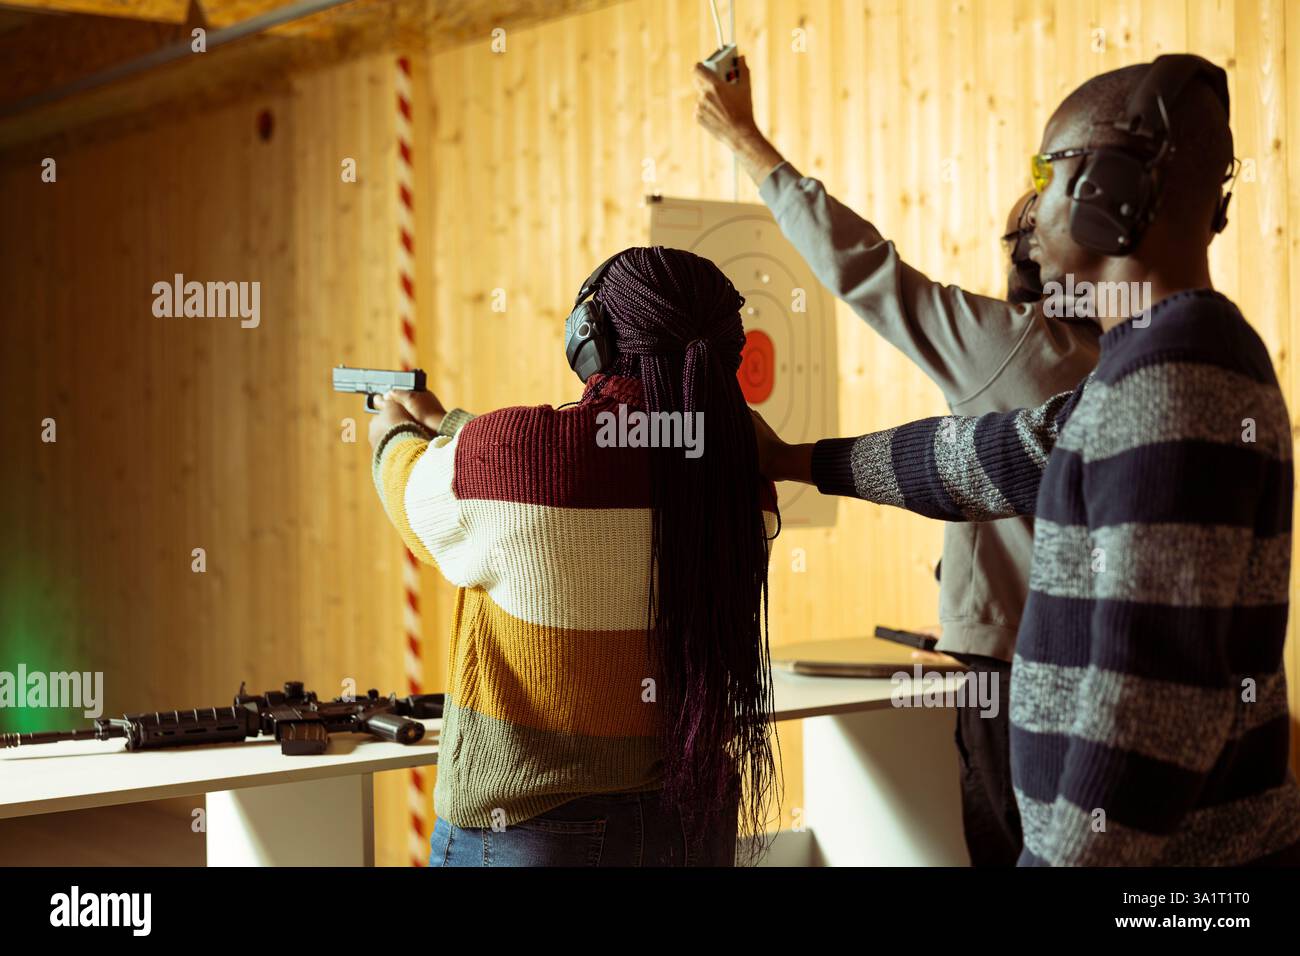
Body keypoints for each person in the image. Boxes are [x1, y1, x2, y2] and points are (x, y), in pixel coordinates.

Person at [752, 56, 1300, 866]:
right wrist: (796, 461)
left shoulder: (1172, 386)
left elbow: (1149, 710)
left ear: (1103, 192)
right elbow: (984, 458)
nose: (1032, 206)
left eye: (1046, 171)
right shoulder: (1145, 369)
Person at [694, 56, 1099, 866]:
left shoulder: (1012, 342)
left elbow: (866, 272)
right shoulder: (1128, 361)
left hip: (1008, 666)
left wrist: (748, 142)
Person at [367, 246, 780, 867]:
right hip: (695, 820)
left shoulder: (512, 455)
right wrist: (449, 424)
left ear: (591, 341)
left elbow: (413, 495)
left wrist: (390, 433)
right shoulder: (736, 467)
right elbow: (579, 468)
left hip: (536, 827)